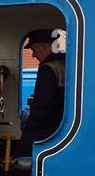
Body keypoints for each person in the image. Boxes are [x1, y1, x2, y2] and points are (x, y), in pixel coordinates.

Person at [13, 29, 65, 157]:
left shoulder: (47, 68)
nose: (33, 55)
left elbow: (42, 106)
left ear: (44, 46)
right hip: (59, 129)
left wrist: (28, 127)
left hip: (45, 131)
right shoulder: (65, 65)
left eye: (34, 50)